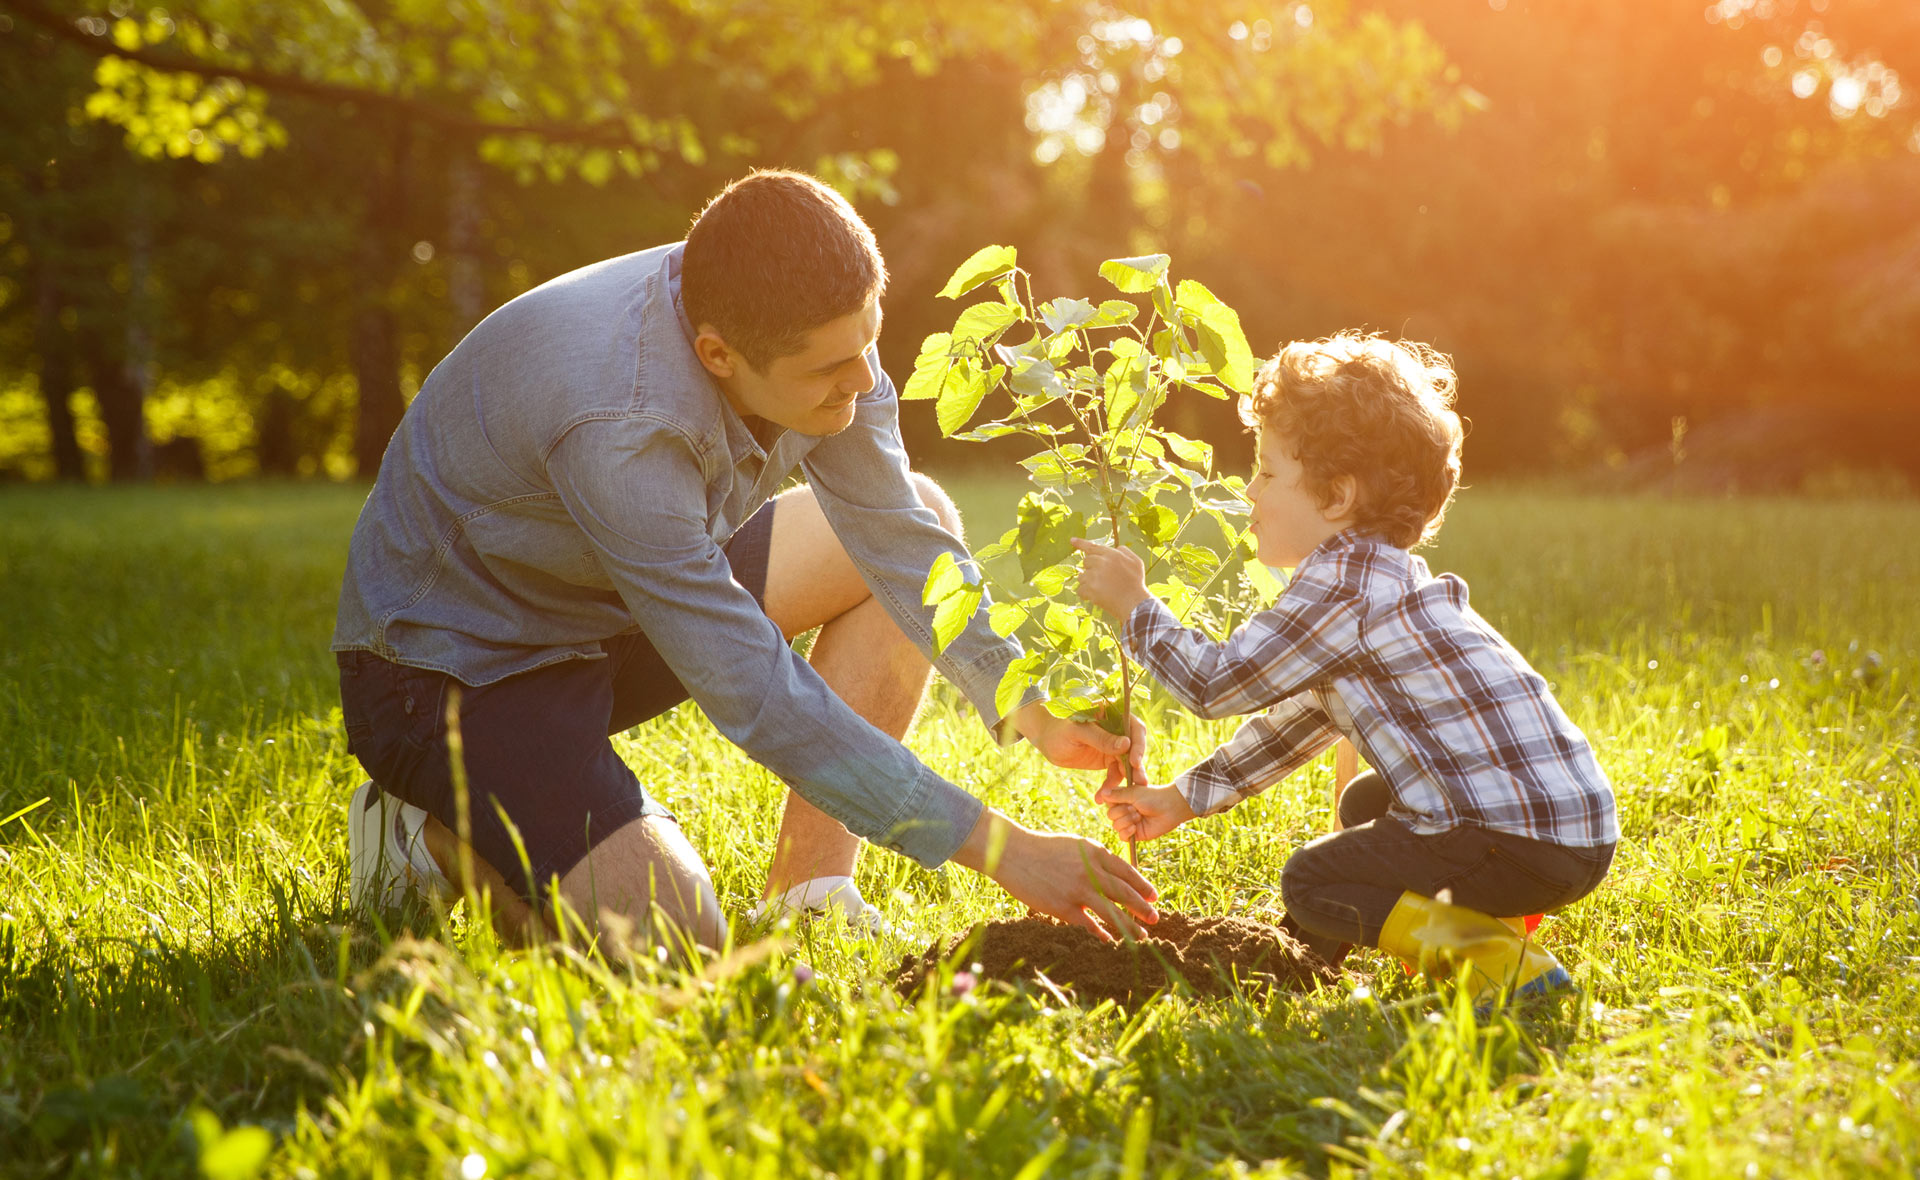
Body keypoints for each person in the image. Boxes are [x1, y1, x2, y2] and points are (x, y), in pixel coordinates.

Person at [333, 169, 1157, 956]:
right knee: (672, 946)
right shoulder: (623, 424)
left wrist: (1031, 707)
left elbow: (899, 537)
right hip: (456, 670)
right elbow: (757, 691)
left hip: (611, 600)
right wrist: (1002, 849)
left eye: (868, 342)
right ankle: (425, 834)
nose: (866, 379)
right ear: (719, 354)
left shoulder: (789, 314)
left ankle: (810, 894)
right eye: (830, 368)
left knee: (926, 509)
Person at [1072, 331, 1616, 1006]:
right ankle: (1306, 964)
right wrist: (1184, 798)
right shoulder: (1379, 581)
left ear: (1336, 496)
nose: (1250, 490)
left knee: (1314, 882)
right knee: (1366, 806)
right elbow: (1298, 724)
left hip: (1517, 842)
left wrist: (1134, 607)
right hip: (1566, 833)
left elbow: (1214, 685)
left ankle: (1501, 965)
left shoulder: (1343, 587)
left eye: (1267, 472)